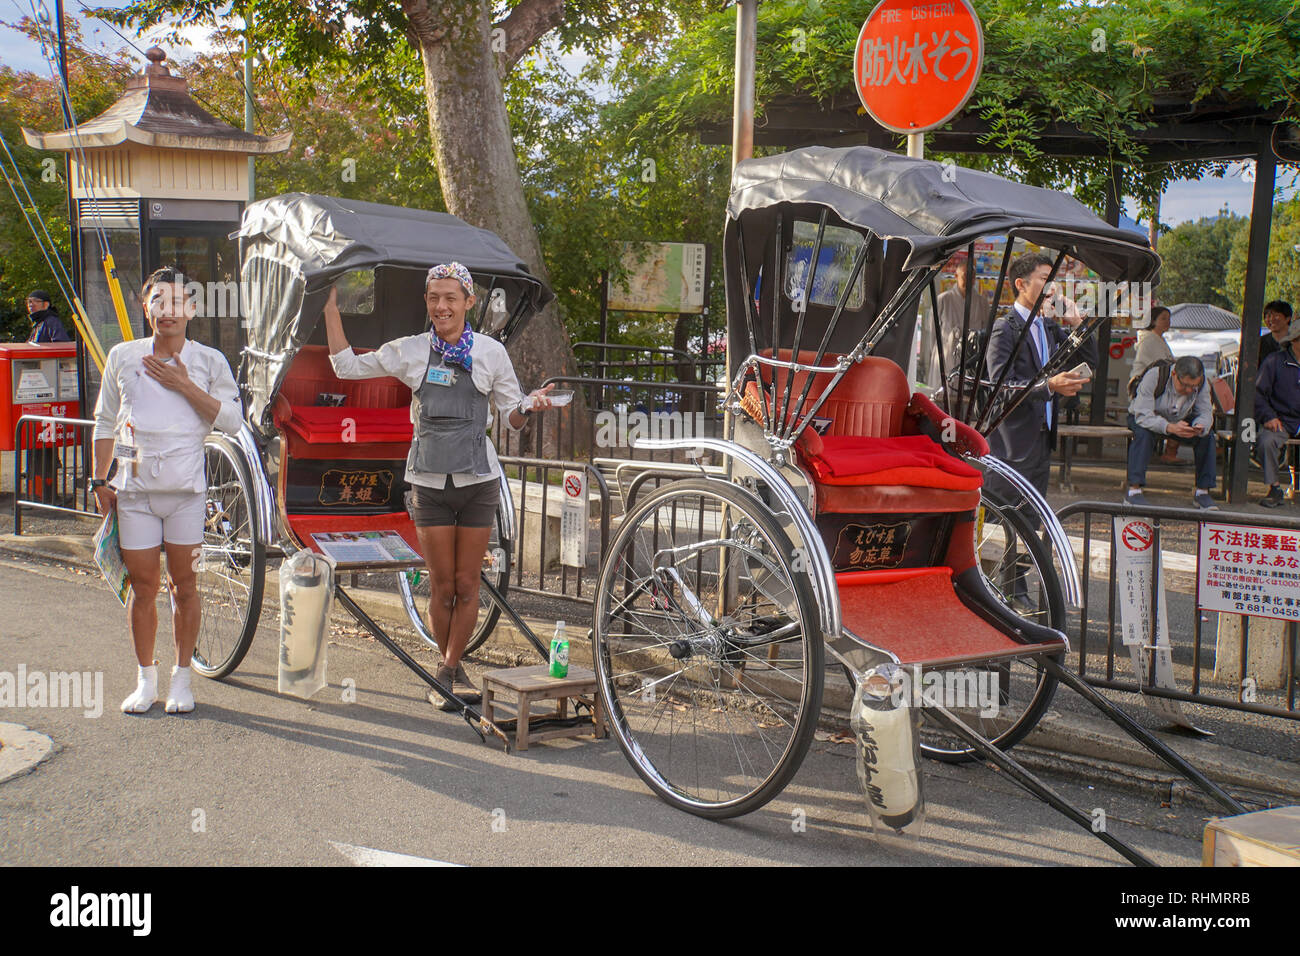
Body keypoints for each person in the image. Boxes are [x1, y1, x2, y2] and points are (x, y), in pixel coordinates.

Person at [323, 261, 557, 710]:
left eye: (451, 297)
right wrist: (332, 308)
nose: (441, 306)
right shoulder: (410, 350)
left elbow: (511, 414)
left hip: (479, 481)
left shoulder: (490, 353)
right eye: (434, 297)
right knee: (442, 583)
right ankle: (450, 666)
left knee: (469, 583)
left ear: (469, 301)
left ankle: (449, 668)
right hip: (429, 482)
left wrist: (529, 407)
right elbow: (347, 367)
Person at [92, 267, 243, 714]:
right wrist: (100, 479)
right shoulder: (123, 356)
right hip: (134, 492)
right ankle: (145, 680)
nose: (168, 310)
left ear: (192, 309)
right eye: (159, 301)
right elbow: (105, 421)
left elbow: (232, 421)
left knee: (185, 585)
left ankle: (182, 679)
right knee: (143, 587)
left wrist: (182, 383)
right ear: (147, 308)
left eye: (178, 302)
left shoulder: (209, 361)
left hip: (186, 494)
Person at [984, 252, 1094, 498]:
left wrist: (1077, 322)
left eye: (1053, 280)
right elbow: (1001, 388)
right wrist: (1050, 386)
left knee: (1032, 522)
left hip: (1043, 440)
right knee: (1001, 520)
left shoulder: (1048, 326)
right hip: (1011, 443)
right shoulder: (1005, 329)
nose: (1051, 287)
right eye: (1045, 279)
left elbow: (1088, 359)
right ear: (1021, 284)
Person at [1125, 355, 1216, 509]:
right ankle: (1134, 490)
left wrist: (1199, 426)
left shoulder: (1202, 384)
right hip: (1147, 417)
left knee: (1207, 437)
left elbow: (1206, 412)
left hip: (1179, 418)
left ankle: (1203, 492)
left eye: (1193, 386)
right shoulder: (1155, 376)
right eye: (1185, 385)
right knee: (1143, 435)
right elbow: (1143, 415)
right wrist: (1169, 427)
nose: (1188, 390)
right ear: (1174, 374)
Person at [1254, 317, 1300, 507]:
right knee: (1267, 441)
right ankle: (1274, 488)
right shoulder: (1274, 361)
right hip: (1281, 419)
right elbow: (1257, 393)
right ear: (1295, 340)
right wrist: (1269, 416)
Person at [926, 256, 990, 388]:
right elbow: (932, 333)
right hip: (945, 355)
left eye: (972, 276)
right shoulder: (943, 299)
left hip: (970, 357)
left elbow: (985, 334)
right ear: (956, 275)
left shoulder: (982, 303)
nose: (969, 280)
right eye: (965, 275)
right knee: (942, 398)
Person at [1129, 306, 1182, 463]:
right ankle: (1170, 452)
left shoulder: (1159, 339)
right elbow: (1163, 365)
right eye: (1163, 318)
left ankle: (1171, 451)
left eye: (1169, 318)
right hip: (1147, 390)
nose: (1168, 322)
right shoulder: (1150, 340)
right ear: (1153, 321)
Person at [1258, 300, 1293, 365]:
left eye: (1276, 316)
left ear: (1287, 318)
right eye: (1268, 316)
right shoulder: (1260, 343)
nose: (1271, 319)